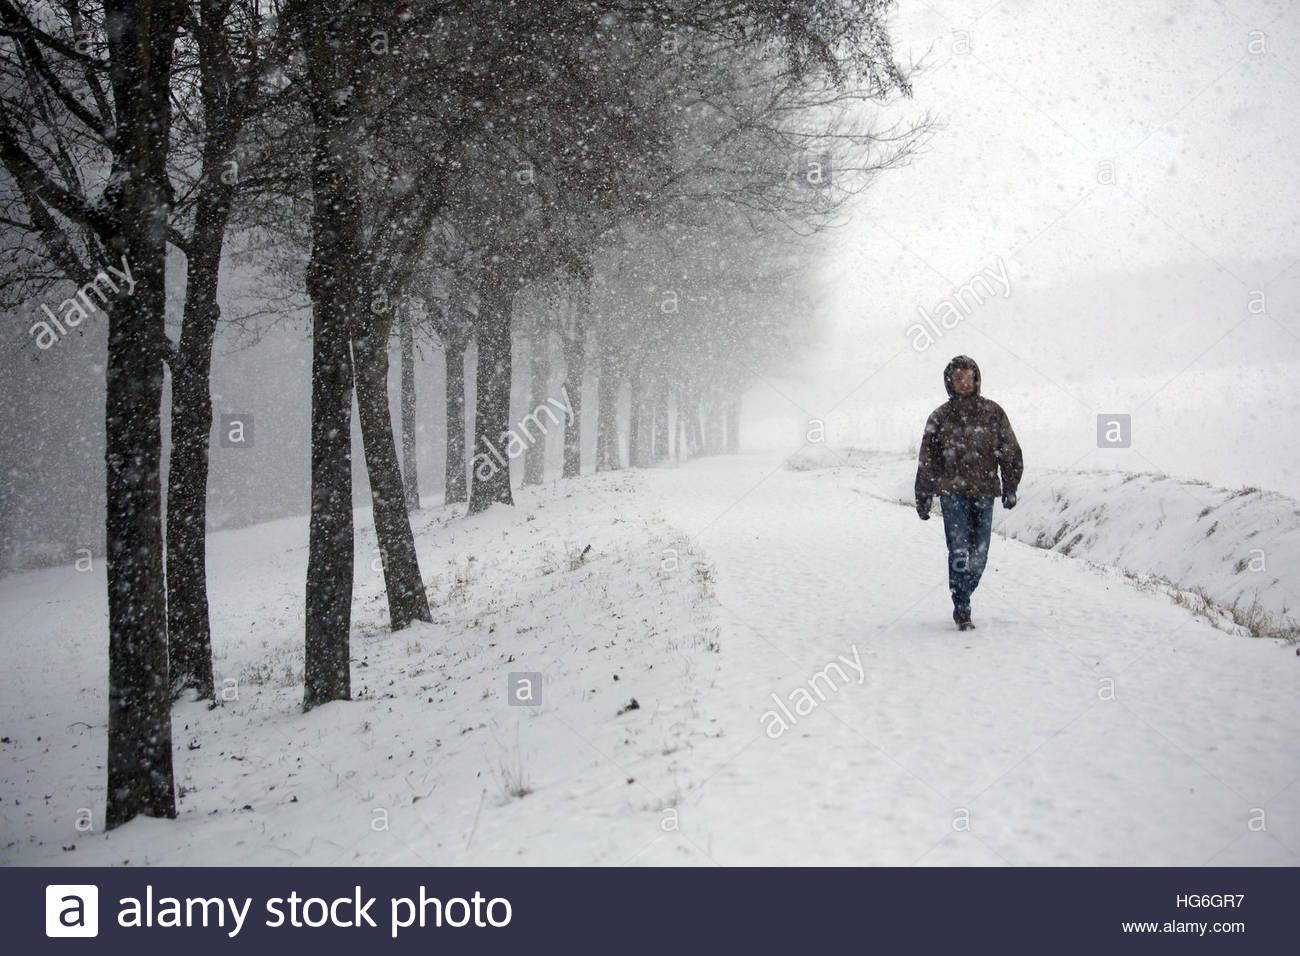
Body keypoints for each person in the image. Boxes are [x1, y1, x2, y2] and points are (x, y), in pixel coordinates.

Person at [914, 355, 1023, 630]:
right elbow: (928, 459)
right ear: (949, 382)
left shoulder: (993, 413)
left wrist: (1010, 487)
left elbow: (1010, 451)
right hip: (952, 494)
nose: (964, 383)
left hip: (985, 492)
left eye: (968, 377)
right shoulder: (939, 417)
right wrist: (924, 496)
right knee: (959, 551)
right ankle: (962, 608)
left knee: (980, 554)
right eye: (958, 378)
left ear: (976, 379)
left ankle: (963, 592)